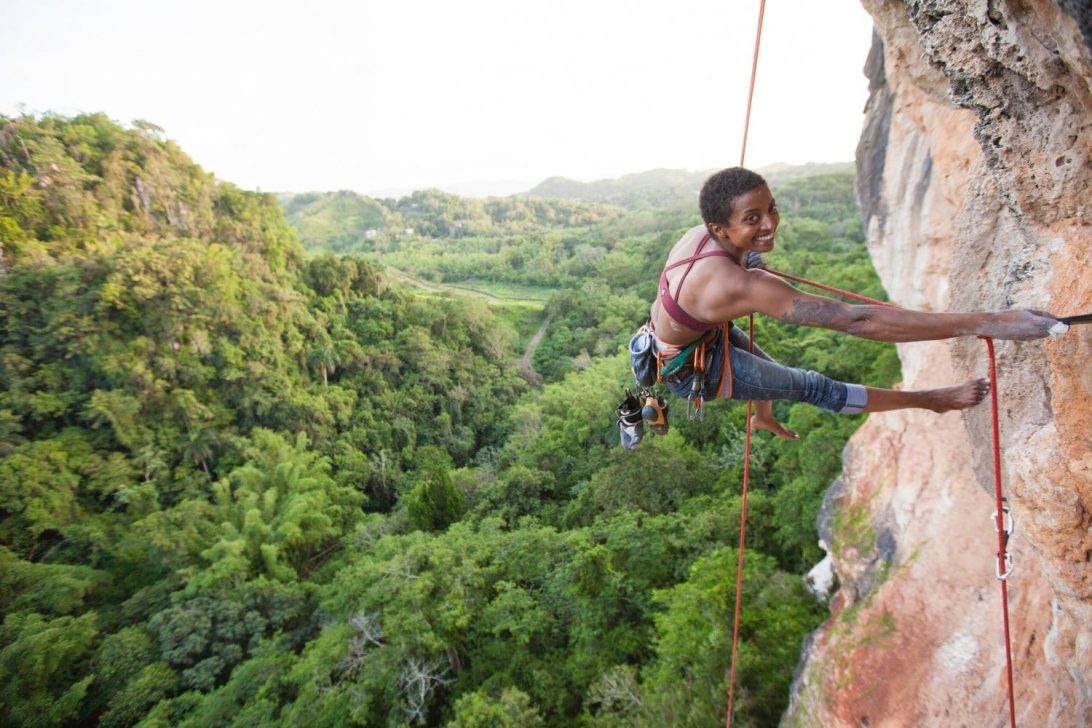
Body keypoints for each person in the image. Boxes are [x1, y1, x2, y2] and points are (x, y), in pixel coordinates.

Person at [645, 167, 1061, 440]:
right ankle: (931, 399)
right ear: (720, 227)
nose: (769, 223)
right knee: (812, 386)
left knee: (769, 373)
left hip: (686, 340)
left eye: (771, 209)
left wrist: (749, 247)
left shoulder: (699, 235)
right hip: (693, 367)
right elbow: (857, 321)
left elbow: (731, 262)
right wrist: (987, 322)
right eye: (752, 218)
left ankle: (764, 416)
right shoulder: (736, 284)